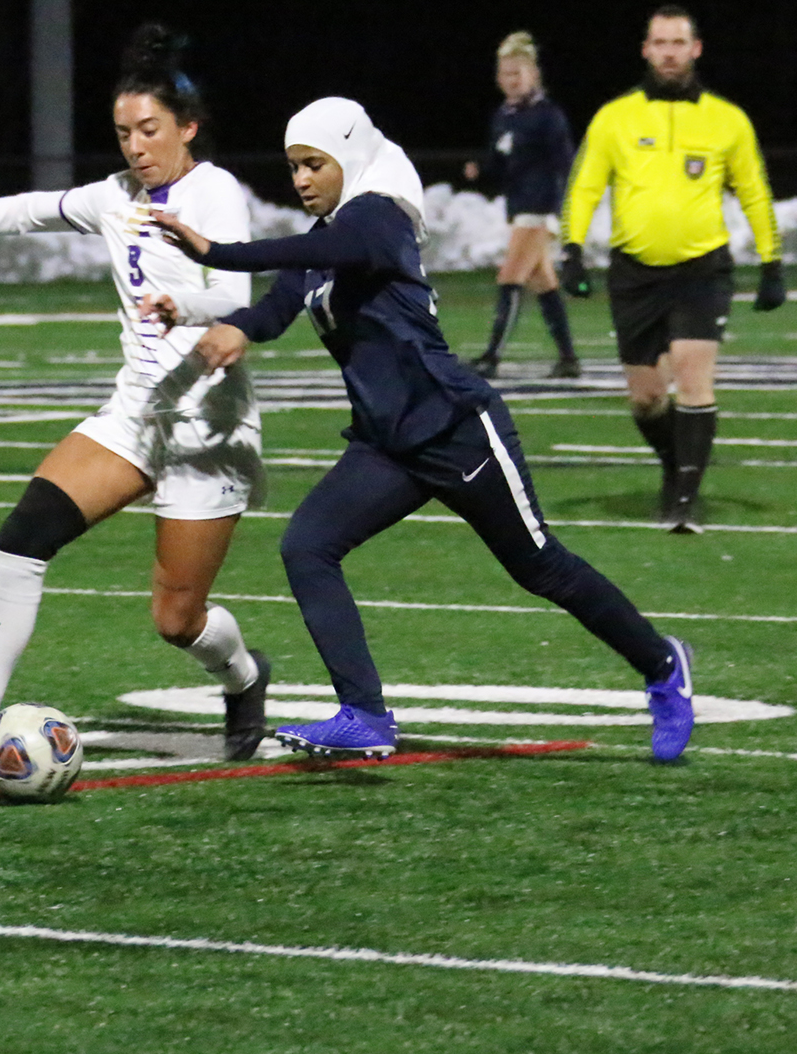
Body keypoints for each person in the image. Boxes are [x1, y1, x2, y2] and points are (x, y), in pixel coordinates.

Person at [153, 97, 696, 762]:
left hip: (453, 428)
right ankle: (365, 713)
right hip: (388, 444)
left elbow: (328, 248)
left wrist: (218, 250)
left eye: (313, 163)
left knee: (541, 567)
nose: (300, 179)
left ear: (348, 158)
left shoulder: (376, 217)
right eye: (293, 166)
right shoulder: (324, 236)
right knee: (308, 546)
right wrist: (226, 325)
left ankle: (663, 666)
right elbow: (276, 308)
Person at [0, 24, 271, 762]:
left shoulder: (214, 192)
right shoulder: (116, 197)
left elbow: (233, 289)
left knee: (176, 619)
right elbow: (27, 208)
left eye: (149, 130)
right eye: (123, 131)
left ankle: (244, 678)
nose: (135, 146)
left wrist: (186, 310)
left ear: (187, 129)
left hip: (207, 430)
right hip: (135, 416)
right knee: (25, 534)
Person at [559, 5, 785, 533]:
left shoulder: (727, 120)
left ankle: (683, 501)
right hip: (634, 271)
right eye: (659, 42)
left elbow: (754, 190)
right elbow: (586, 185)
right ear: (645, 49)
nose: (668, 52)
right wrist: (571, 250)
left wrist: (772, 261)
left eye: (678, 42)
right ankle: (674, 462)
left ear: (696, 49)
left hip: (701, 270)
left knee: (691, 375)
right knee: (645, 398)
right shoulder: (615, 117)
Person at [462, 31, 579, 380]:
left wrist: (562, 212)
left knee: (510, 276)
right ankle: (569, 359)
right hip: (520, 209)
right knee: (544, 282)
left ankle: (492, 357)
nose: (511, 80)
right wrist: (480, 168)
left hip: (541, 210)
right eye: (506, 73)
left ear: (534, 75)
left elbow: (566, 165)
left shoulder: (548, 116)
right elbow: (500, 163)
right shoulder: (504, 116)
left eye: (518, 73)